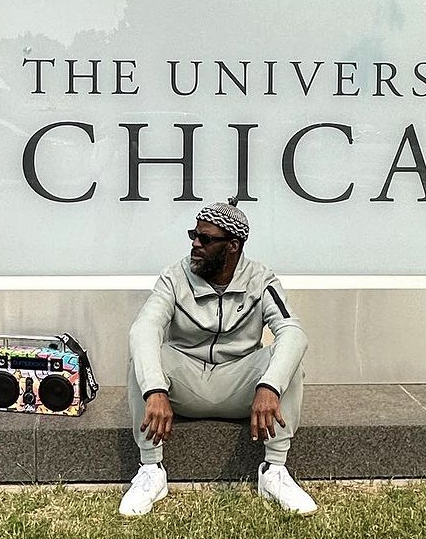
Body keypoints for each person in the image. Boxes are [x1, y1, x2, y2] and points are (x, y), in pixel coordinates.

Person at [119, 197, 317, 518]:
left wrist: (269, 386)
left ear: (233, 246)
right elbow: (145, 327)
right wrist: (155, 389)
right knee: (145, 352)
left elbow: (293, 331)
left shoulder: (261, 279)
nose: (195, 244)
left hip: (240, 385)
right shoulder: (174, 277)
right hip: (184, 384)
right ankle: (151, 470)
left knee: (288, 358)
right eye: (193, 235)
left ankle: (274, 471)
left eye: (206, 239)